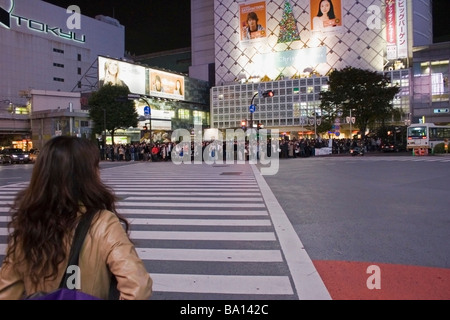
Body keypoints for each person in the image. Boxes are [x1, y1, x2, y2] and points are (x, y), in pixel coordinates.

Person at [0, 136, 152, 300]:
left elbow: (6, 292)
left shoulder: (28, 225)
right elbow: (138, 288)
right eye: (96, 167)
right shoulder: (102, 222)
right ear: (86, 175)